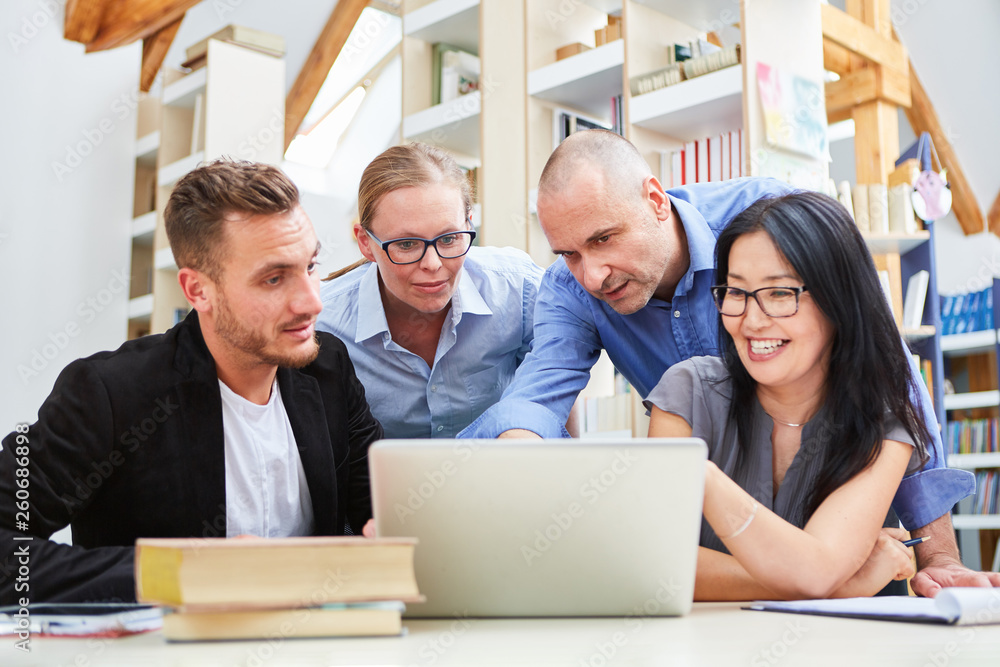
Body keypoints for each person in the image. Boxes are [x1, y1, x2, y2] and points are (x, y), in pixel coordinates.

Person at [459, 129, 998, 597]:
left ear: (653, 199)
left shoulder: (765, 224)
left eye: (604, 239)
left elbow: (885, 366)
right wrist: (517, 465)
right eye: (569, 253)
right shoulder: (603, 321)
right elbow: (537, 398)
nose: (593, 275)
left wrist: (939, 557)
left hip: (836, 513)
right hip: (720, 557)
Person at [0, 160, 382, 603]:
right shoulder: (106, 393)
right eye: (274, 278)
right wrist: (184, 571)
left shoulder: (329, 368)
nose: (312, 302)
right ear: (198, 291)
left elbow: (378, 509)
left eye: (311, 266)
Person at [647, 191, 928, 599]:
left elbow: (815, 571)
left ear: (840, 301)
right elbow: (659, 566)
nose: (752, 320)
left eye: (780, 293)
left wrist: (696, 472)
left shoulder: (882, 421)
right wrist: (842, 586)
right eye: (736, 292)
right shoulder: (688, 391)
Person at [317, 143, 543, 439]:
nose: (433, 264)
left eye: (449, 239)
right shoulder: (322, 325)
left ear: (469, 222)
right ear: (365, 242)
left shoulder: (518, 288)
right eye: (407, 244)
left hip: (501, 481)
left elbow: (560, 378)